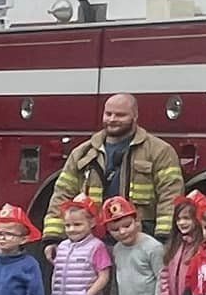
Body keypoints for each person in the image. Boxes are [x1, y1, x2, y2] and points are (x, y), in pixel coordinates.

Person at [42, 92, 185, 242]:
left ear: (135, 116)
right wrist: (53, 238)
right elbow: (62, 195)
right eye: (108, 114)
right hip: (92, 240)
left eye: (120, 115)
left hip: (139, 238)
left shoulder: (159, 151)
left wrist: (164, 238)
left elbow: (170, 197)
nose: (112, 119)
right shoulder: (82, 153)